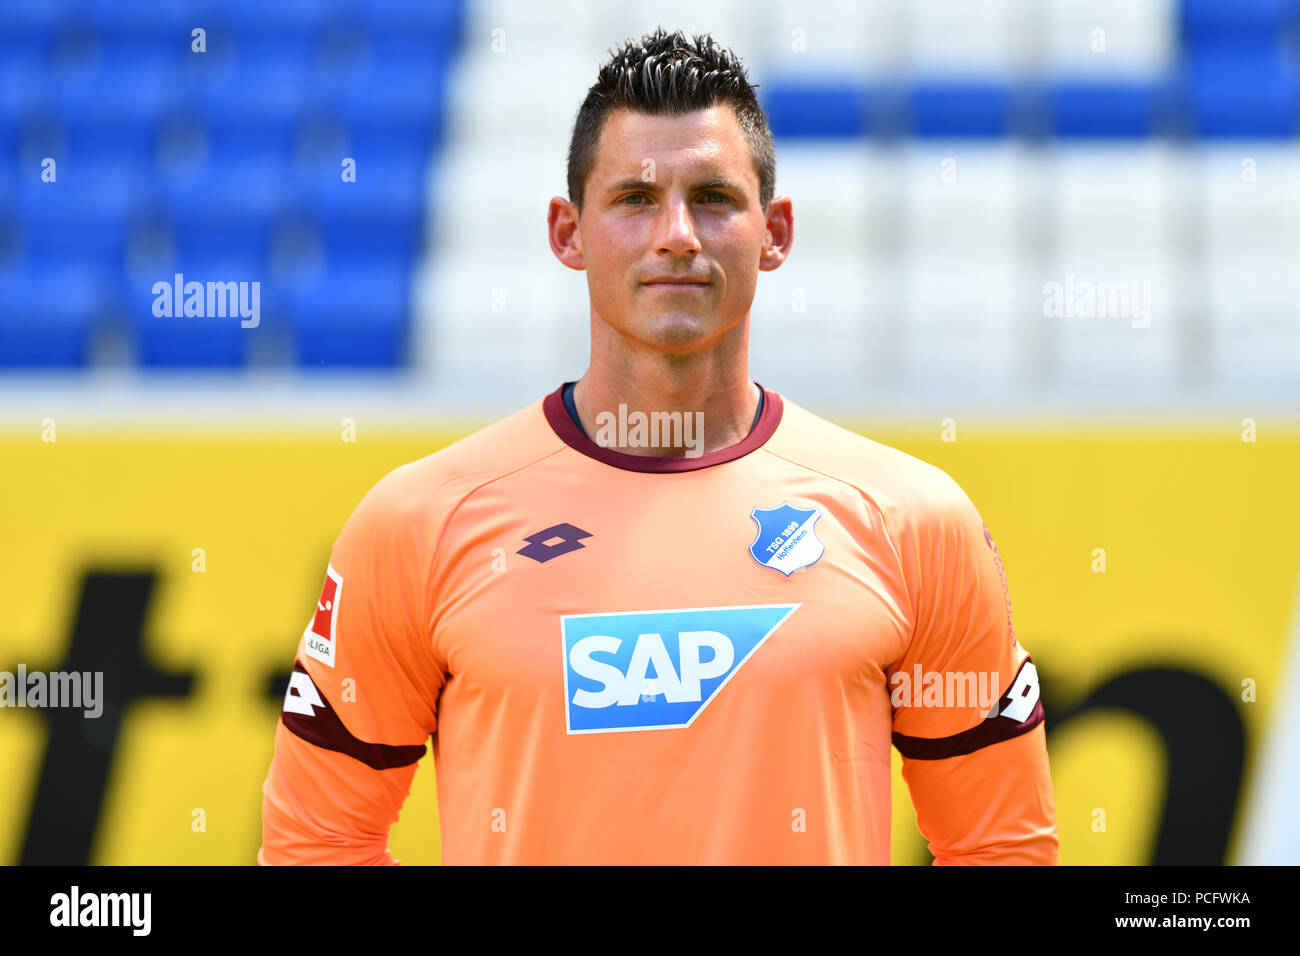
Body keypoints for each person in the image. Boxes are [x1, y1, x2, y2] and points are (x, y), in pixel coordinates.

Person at [259, 27, 1058, 865]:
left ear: (775, 231)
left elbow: (1001, 844)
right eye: (635, 199)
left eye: (713, 196)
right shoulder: (417, 523)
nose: (677, 233)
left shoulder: (913, 522)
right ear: (568, 232)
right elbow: (318, 841)